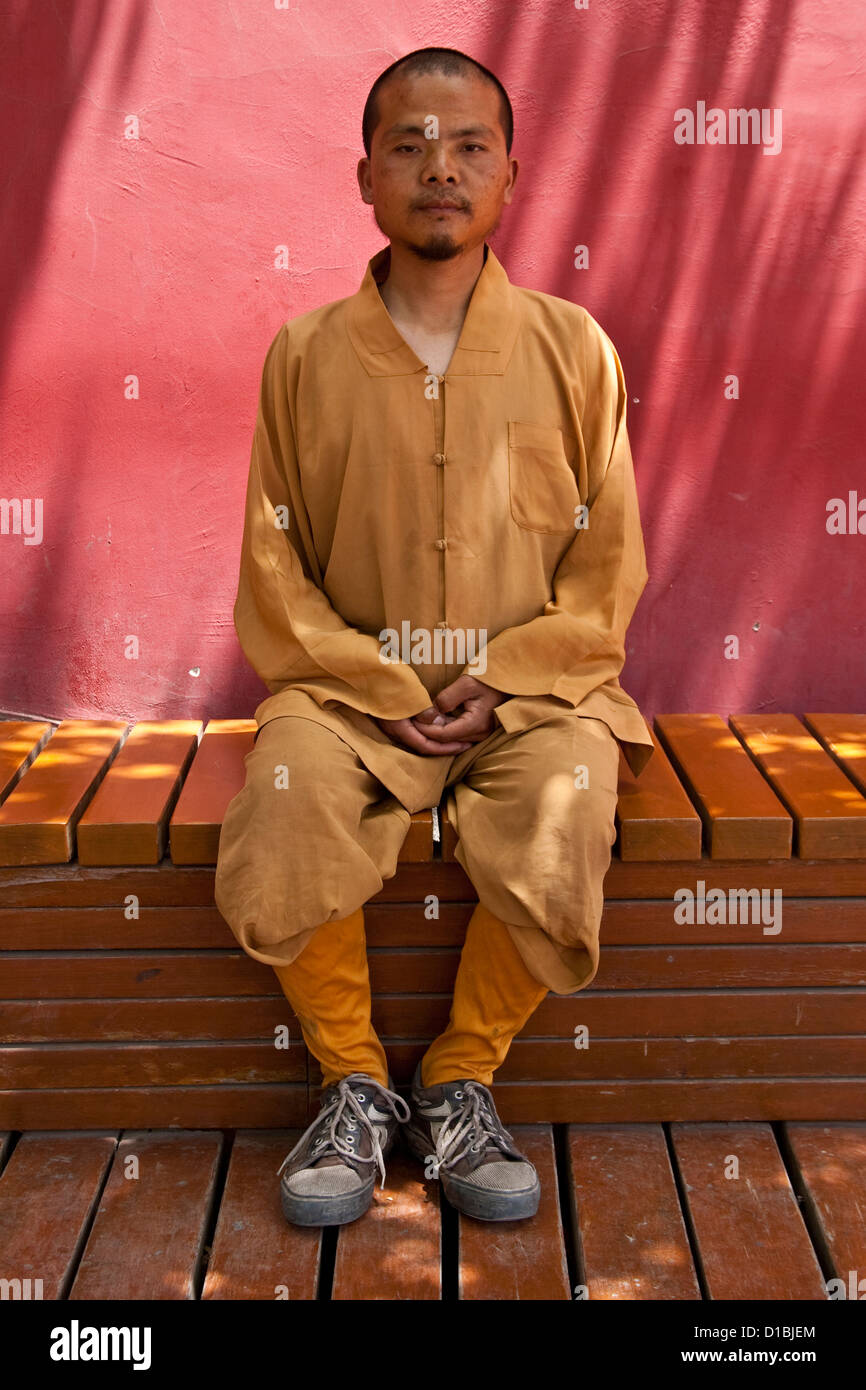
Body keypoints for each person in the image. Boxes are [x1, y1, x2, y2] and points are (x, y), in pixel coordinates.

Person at [214, 45, 654, 1229]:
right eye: (406, 145)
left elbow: (604, 570)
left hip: (532, 699)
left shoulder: (575, 350)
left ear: (509, 175)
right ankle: (353, 1081)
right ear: (363, 177)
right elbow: (274, 568)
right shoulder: (303, 356)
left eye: (468, 145)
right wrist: (371, 676)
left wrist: (506, 682)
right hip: (349, 695)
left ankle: (460, 1077)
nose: (437, 169)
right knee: (288, 788)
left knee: (575, 787)